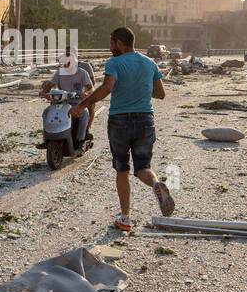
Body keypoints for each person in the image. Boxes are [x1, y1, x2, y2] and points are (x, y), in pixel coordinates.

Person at [70, 26, 174, 231]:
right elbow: (160, 94)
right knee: (143, 167)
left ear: (118, 42)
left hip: (120, 121)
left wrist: (82, 105)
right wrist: (139, 89)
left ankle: (125, 218)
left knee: (122, 169)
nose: (110, 47)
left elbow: (107, 88)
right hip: (145, 120)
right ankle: (155, 185)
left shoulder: (114, 63)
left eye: (111, 43)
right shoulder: (149, 63)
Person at [40, 50, 94, 147]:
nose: (67, 65)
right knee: (46, 112)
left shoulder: (82, 73)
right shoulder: (60, 73)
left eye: (69, 62)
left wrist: (85, 93)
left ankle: (80, 140)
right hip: (60, 102)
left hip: (77, 102)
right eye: (65, 63)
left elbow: (91, 89)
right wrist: (44, 92)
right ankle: (46, 138)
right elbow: (49, 85)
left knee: (84, 114)